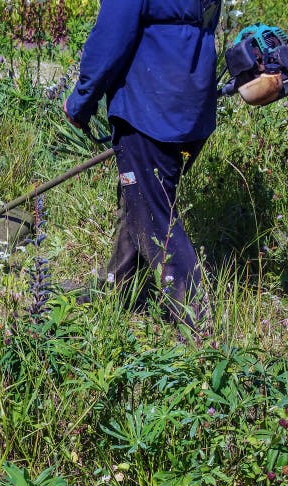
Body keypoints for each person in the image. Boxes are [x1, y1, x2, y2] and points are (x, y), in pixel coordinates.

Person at [63, 0, 222, 330]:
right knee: (142, 199)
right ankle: (116, 288)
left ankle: (197, 326)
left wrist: (82, 100)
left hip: (150, 104)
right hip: (191, 103)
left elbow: (111, 36)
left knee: (153, 214)